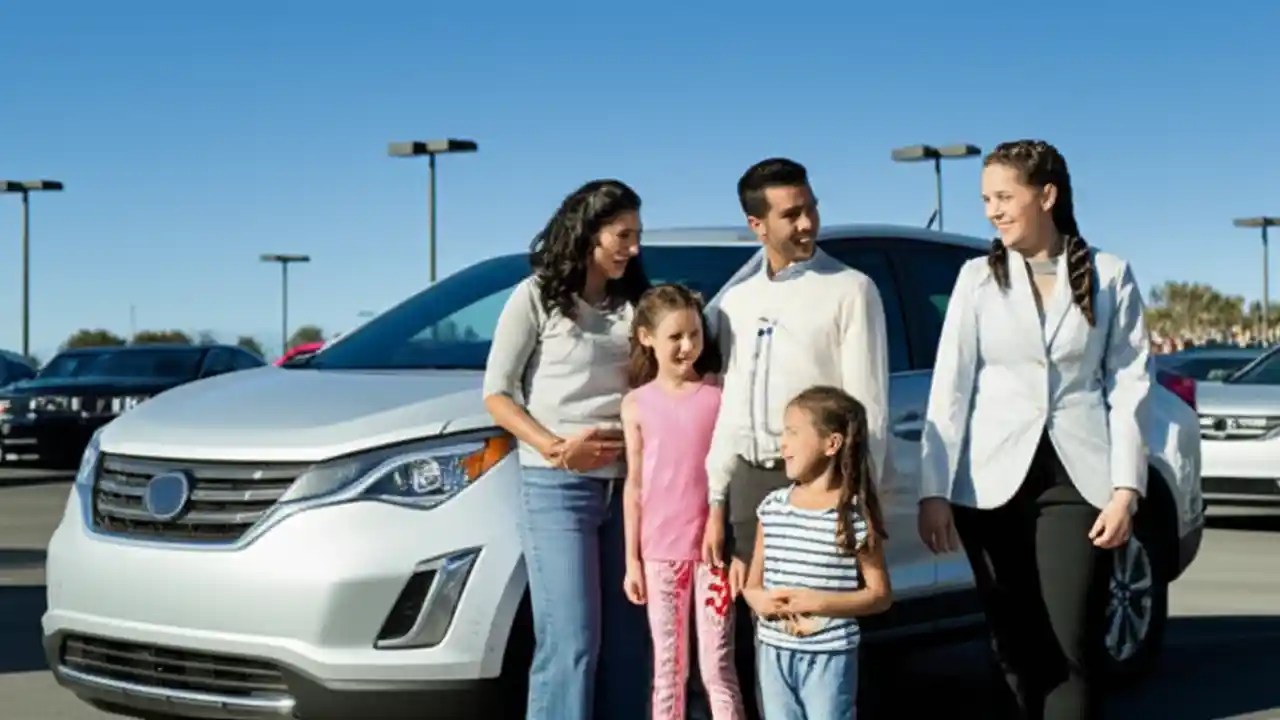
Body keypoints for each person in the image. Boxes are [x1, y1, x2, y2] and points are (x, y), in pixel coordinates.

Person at [918, 139, 1151, 720]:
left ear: (1046, 195)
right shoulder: (976, 278)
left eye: (1004, 196)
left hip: (1078, 482)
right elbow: (950, 390)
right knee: (1013, 646)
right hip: (989, 486)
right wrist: (933, 490)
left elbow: (1128, 386)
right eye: (985, 199)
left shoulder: (1110, 274)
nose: (992, 210)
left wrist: (1127, 489)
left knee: (1070, 646)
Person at [700, 157, 891, 714]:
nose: (807, 223)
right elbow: (731, 408)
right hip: (751, 489)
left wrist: (857, 495)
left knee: (828, 645)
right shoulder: (735, 303)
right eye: (791, 215)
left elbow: (867, 406)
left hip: (824, 491)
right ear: (757, 225)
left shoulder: (851, 289)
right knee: (759, 649)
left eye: (810, 208)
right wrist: (716, 499)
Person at [482, 179, 652, 720]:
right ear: (588, 233)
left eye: (637, 235)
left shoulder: (639, 305)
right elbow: (497, 395)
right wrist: (556, 449)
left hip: (629, 492)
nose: (633, 248)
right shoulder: (535, 297)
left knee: (629, 647)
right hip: (557, 489)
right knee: (572, 641)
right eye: (622, 235)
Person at [619, 283, 745, 720]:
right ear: (646, 338)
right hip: (659, 557)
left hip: (712, 557)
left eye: (694, 334)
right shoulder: (636, 405)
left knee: (717, 667)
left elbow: (727, 476)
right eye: (675, 337)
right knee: (668, 669)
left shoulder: (717, 399)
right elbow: (634, 487)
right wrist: (632, 561)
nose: (687, 346)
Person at [742, 385, 892, 719]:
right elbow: (752, 585)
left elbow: (880, 595)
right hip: (773, 652)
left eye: (793, 432)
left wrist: (818, 602)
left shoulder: (853, 516)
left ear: (831, 443)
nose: (783, 443)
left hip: (830, 655)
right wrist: (758, 600)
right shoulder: (772, 509)